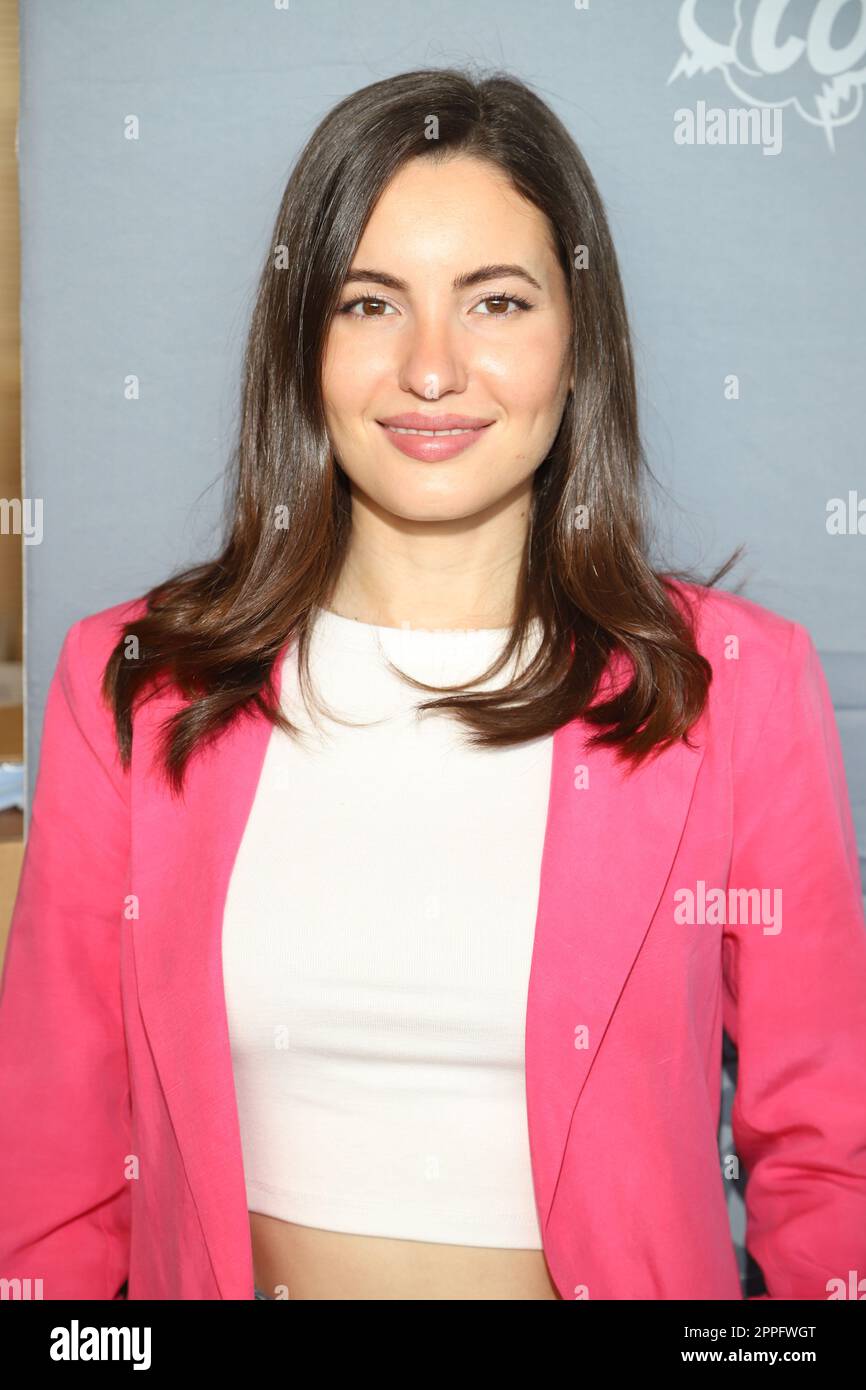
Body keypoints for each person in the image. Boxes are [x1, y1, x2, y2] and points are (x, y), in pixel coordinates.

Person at [1, 67, 865, 1302]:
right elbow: (50, 1173)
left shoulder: (736, 688)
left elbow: (827, 1165)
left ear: (579, 344)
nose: (430, 368)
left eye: (495, 301)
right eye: (370, 304)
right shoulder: (133, 684)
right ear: (302, 341)